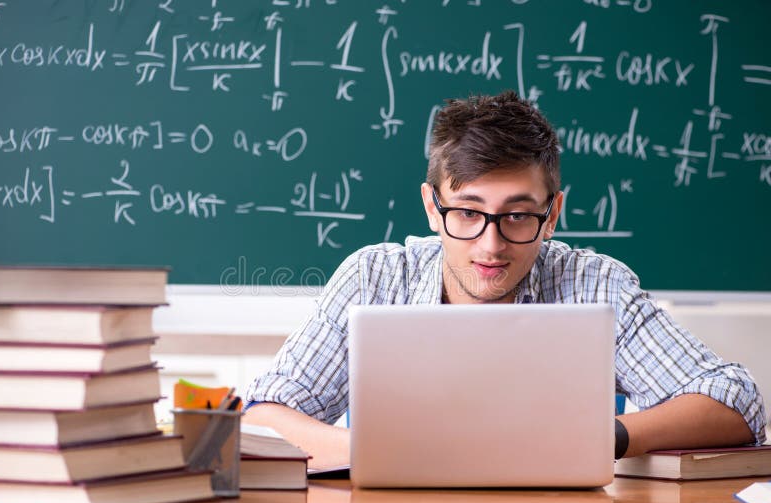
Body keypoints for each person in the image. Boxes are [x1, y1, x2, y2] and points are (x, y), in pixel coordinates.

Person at [243, 90, 766, 470]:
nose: (491, 246)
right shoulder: (374, 278)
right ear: (432, 206)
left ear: (553, 212)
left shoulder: (596, 284)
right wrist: (379, 452)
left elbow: (736, 400)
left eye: (518, 215)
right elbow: (264, 415)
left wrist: (604, 436)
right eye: (468, 214)